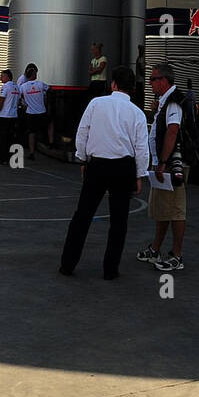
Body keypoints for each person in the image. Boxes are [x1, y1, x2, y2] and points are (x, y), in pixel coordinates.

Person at [59, 66, 149, 279]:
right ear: (132, 88)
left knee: (82, 215)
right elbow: (141, 148)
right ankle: (110, 269)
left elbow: (82, 133)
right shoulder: (137, 113)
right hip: (123, 168)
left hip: (97, 165)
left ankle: (67, 264)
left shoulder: (96, 103)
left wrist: (82, 158)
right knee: (119, 221)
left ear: (113, 84)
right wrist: (139, 175)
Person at [136, 62, 189, 272]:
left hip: (171, 164)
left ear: (164, 80)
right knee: (163, 208)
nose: (150, 83)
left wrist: (163, 162)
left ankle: (176, 255)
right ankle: (156, 248)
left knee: (175, 209)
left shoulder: (173, 102)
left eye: (153, 79)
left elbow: (173, 131)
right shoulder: (165, 102)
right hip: (164, 163)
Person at [19, 63, 50, 161]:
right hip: (41, 111)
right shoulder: (41, 84)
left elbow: (19, 96)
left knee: (31, 132)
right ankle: (50, 143)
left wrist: (25, 102)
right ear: (34, 75)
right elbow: (50, 89)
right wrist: (44, 99)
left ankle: (32, 152)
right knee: (49, 125)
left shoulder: (23, 86)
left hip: (30, 112)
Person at [0, 68, 20, 164]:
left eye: (2, 76)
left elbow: (1, 101)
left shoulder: (5, 87)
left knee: (2, 138)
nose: (0, 78)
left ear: (7, 77)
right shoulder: (17, 87)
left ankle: (2, 158)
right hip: (13, 115)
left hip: (4, 115)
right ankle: (10, 157)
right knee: (10, 138)